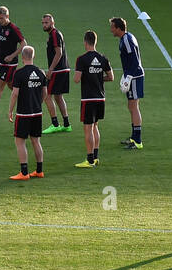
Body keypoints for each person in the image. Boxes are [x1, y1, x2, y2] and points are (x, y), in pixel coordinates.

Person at [72, 31, 112, 168]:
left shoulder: (81, 59)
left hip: (88, 99)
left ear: (85, 42)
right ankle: (95, 157)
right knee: (95, 126)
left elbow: (76, 79)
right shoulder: (103, 58)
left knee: (88, 128)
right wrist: (98, 79)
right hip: (101, 97)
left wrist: (87, 77)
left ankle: (89, 160)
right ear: (95, 41)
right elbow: (111, 77)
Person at [7, 46, 47, 180]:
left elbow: (15, 94)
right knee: (36, 141)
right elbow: (45, 93)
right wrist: (37, 103)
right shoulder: (41, 73)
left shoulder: (19, 73)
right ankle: (39, 171)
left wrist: (10, 110)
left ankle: (24, 173)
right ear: (33, 56)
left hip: (24, 113)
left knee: (20, 141)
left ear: (22, 57)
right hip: (37, 112)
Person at [110, 17, 144, 149]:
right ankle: (134, 137)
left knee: (134, 106)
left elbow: (135, 60)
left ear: (118, 28)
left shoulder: (127, 40)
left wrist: (128, 77)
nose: (111, 30)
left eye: (112, 27)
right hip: (132, 76)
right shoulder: (126, 38)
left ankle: (138, 141)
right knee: (131, 107)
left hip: (135, 77)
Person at [41, 14, 71, 133]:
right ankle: (67, 124)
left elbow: (58, 53)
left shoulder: (54, 34)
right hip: (63, 69)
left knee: (47, 95)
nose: (44, 25)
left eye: (46, 23)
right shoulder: (55, 34)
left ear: (52, 23)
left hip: (58, 70)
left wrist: (51, 70)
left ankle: (55, 124)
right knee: (58, 97)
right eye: (43, 23)